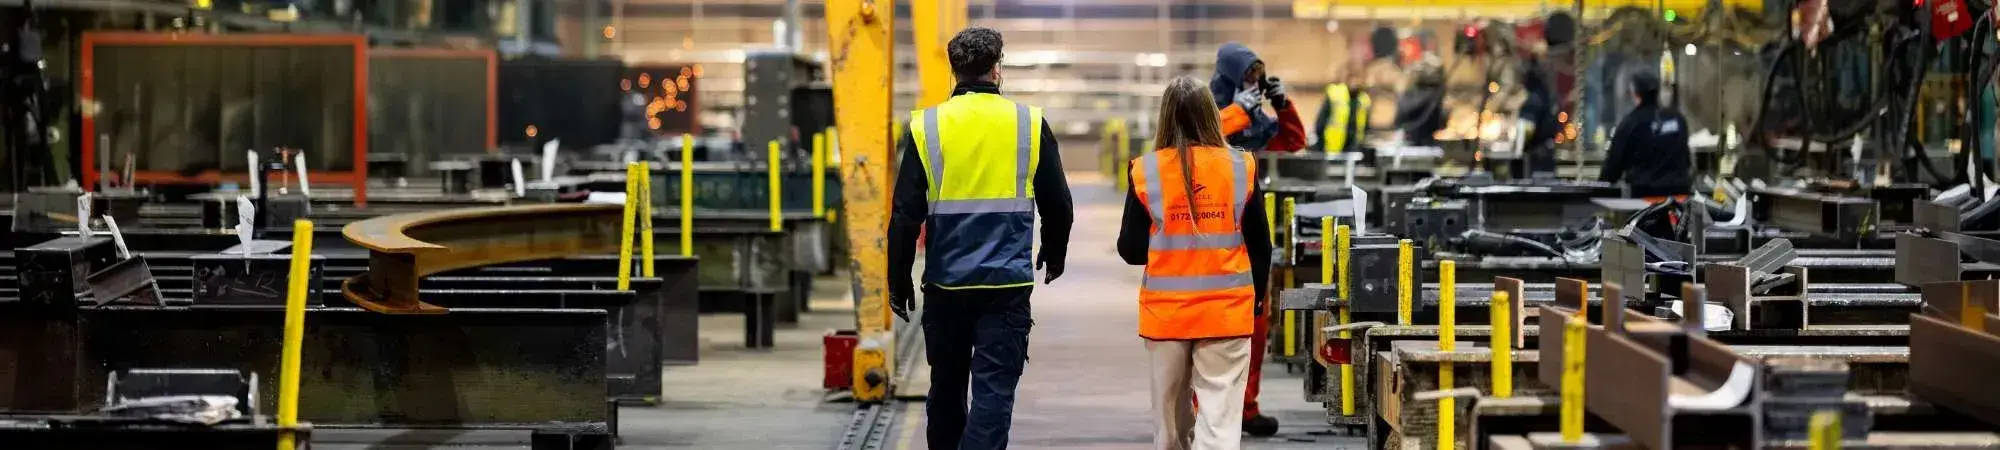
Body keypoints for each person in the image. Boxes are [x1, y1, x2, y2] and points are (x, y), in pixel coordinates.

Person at [886, 27, 1075, 450]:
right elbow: (1058, 203)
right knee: (993, 391)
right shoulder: (1028, 123)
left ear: (954, 71)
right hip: (1005, 285)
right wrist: (1055, 251)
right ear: (997, 69)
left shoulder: (926, 126)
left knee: (947, 389)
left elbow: (903, 216)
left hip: (946, 282)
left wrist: (897, 280)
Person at [1118, 76, 1273, 450]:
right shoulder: (1242, 167)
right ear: (1211, 115)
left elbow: (1130, 249)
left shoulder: (1146, 170)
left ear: (1165, 118)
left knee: (1170, 427)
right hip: (1226, 312)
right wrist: (1257, 300)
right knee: (1219, 422)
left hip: (1166, 317)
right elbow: (1261, 245)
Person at [1208, 42, 1298, 437]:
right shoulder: (1205, 110)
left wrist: (1282, 105)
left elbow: (1292, 141)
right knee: (1209, 331)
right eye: (1245, 76)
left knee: (1255, 325)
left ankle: (1246, 407)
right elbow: (1204, 139)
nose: (1252, 84)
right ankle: (1206, 407)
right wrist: (1237, 111)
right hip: (1208, 227)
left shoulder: (1254, 121)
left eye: (1256, 78)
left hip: (1247, 224)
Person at [1598, 68, 1692, 202]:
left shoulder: (1631, 123)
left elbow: (1613, 166)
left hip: (1644, 200)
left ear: (1635, 94)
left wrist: (1600, 188)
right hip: (1679, 199)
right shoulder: (1677, 119)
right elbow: (1687, 160)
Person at [1212, 43, 1307, 153]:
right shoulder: (1203, 122)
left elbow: (1295, 143)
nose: (1257, 86)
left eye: (1260, 78)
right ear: (1230, 85)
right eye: (1250, 78)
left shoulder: (1262, 126)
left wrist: (1284, 108)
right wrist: (1237, 112)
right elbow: (1205, 142)